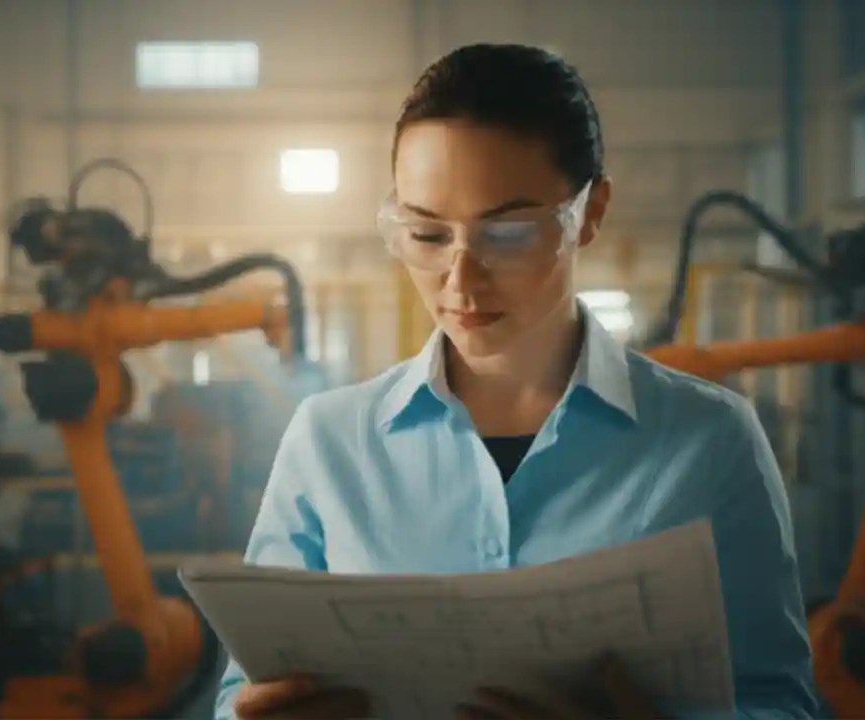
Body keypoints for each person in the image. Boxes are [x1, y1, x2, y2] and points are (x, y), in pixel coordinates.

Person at [215, 43, 818, 720]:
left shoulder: (706, 440)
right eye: (426, 233)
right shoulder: (330, 442)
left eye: (506, 233)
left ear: (590, 212)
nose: (461, 280)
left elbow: (780, 704)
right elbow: (241, 693)